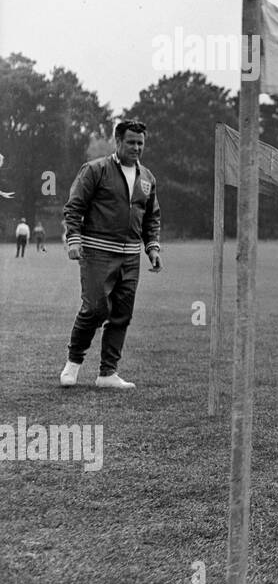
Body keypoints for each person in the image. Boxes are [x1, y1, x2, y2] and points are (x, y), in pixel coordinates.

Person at [58, 118, 161, 389]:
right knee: (95, 309)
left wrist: (152, 247)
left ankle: (107, 373)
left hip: (130, 257)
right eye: (131, 142)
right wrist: (74, 240)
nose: (136, 147)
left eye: (140, 143)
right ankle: (73, 363)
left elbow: (151, 217)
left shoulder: (147, 178)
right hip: (97, 253)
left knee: (121, 315)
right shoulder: (95, 170)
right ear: (118, 142)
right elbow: (74, 206)